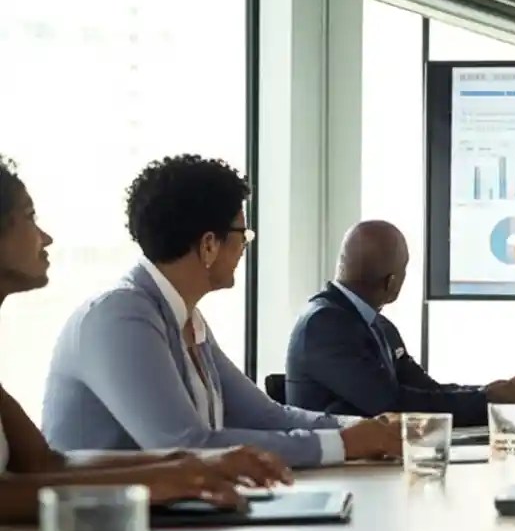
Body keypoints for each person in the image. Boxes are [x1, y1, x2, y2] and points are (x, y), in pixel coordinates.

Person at [41, 155, 401, 468]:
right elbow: (186, 446)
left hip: (166, 523)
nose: (245, 246)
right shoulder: (120, 317)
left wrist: (363, 429)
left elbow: (266, 416)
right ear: (209, 245)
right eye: (242, 235)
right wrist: (346, 443)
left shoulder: (186, 318)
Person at [0, 155, 286, 522]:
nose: (46, 237)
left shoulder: (187, 319)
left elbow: (44, 462)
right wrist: (159, 480)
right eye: (29, 216)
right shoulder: (120, 313)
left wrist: (181, 464)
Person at [285, 220, 515, 424]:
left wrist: (493, 393)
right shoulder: (324, 324)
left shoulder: (376, 324)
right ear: (392, 281)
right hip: (342, 476)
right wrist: (489, 400)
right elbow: (392, 405)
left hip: (371, 466)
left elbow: (425, 391)